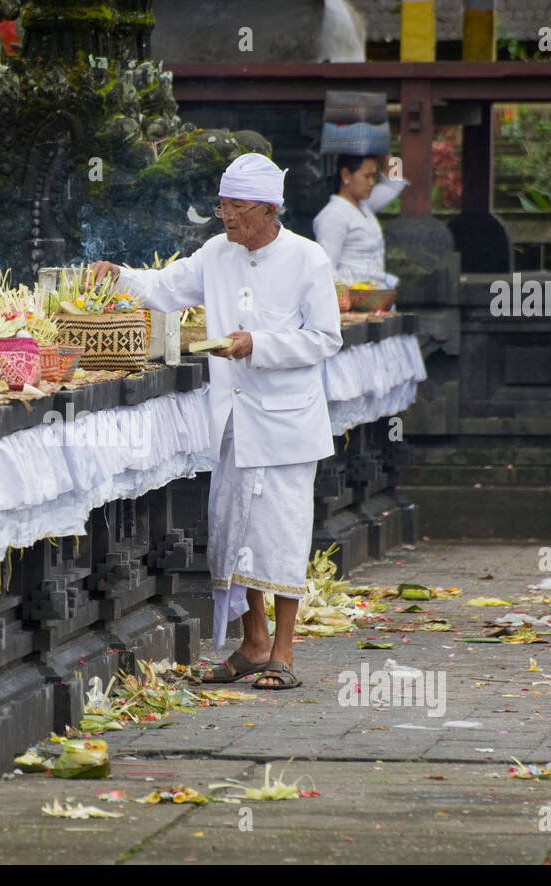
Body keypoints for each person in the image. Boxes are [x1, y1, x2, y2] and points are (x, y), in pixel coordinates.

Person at [88, 152, 343, 690]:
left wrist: (259, 344)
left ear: (271, 209)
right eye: (222, 205)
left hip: (288, 424)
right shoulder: (215, 253)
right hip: (233, 422)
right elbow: (164, 287)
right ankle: (252, 644)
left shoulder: (308, 259)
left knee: (283, 532)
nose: (227, 217)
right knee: (236, 534)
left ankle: (283, 652)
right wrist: (120, 277)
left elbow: (325, 338)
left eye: (238, 207)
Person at [312, 154, 408, 289]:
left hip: (375, 297)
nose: (372, 182)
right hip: (351, 301)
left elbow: (395, 183)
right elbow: (326, 267)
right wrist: (344, 300)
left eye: (373, 176)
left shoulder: (365, 206)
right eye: (366, 176)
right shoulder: (333, 215)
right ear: (345, 175)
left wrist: (385, 152)